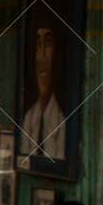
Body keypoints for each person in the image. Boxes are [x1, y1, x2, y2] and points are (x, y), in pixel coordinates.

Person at [20, 27, 65, 160]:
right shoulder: (29, 117)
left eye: (48, 44)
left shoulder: (61, 119)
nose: (42, 55)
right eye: (38, 45)